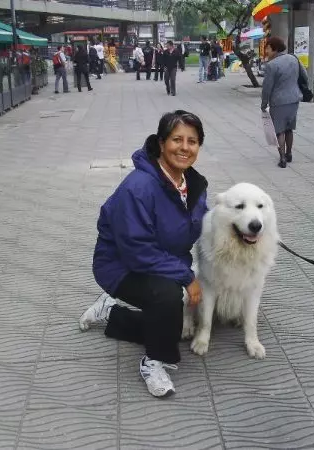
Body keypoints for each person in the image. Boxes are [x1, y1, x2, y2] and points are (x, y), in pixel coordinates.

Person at [79, 110, 208, 398]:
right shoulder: (138, 187)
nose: (184, 147)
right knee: (167, 298)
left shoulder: (193, 184)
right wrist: (187, 276)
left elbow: (206, 222)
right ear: (161, 143)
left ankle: (112, 312)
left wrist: (243, 231)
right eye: (177, 139)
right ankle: (153, 362)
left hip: (161, 261)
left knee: (171, 326)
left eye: (193, 141)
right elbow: (137, 250)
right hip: (120, 266)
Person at [261, 36, 308, 168]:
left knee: (279, 130)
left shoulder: (271, 65)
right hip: (294, 99)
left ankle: (282, 158)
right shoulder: (294, 58)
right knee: (289, 128)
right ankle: (289, 154)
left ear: (275, 49)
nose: (266, 52)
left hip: (278, 101)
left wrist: (264, 103)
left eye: (268, 49)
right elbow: (304, 76)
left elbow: (267, 88)